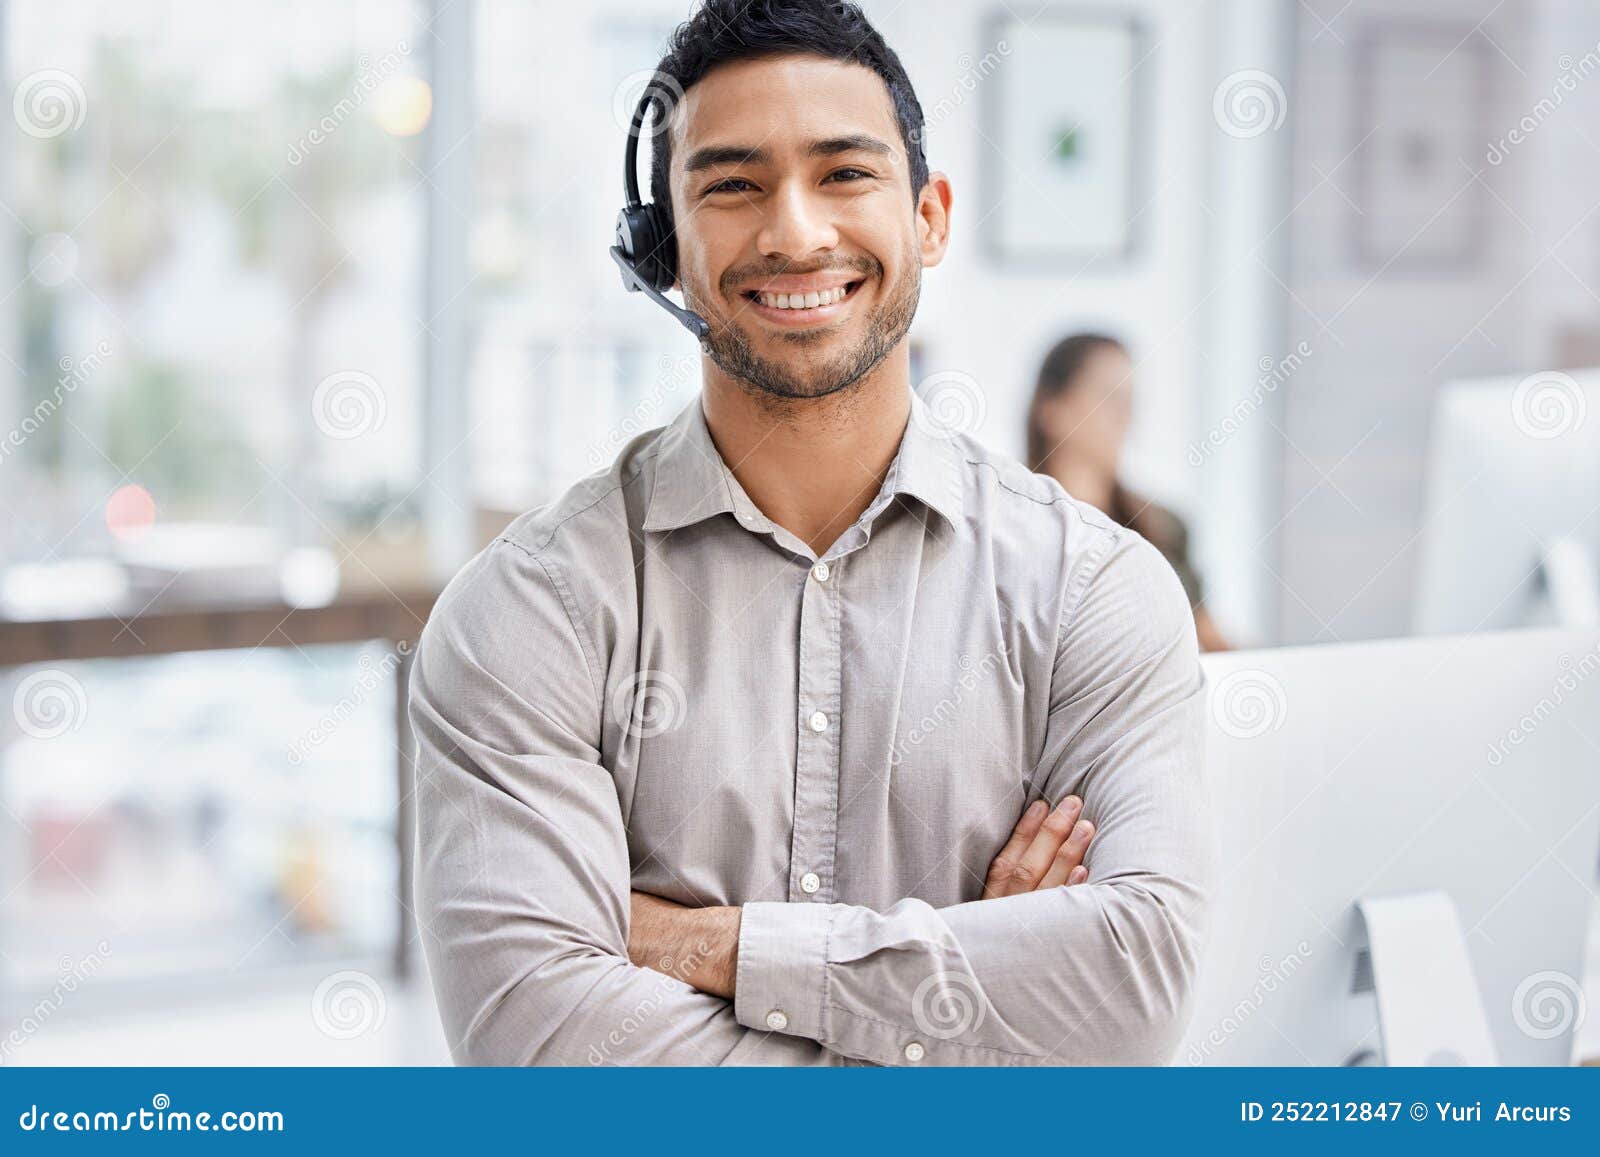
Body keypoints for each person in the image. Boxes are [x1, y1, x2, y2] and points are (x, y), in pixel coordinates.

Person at [410, 0, 1211, 1067]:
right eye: (732, 184)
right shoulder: (526, 614)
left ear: (927, 216)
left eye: (844, 173)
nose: (794, 231)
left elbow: (1132, 996)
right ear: (666, 251)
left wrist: (709, 944)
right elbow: (544, 1052)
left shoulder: (1094, 589)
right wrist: (967, 995)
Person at [1027, 333, 1232, 652]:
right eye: (1109, 398)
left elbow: (1212, 641)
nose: (1125, 417)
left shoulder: (1164, 527)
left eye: (1129, 402)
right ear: (1052, 409)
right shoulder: (1010, 526)